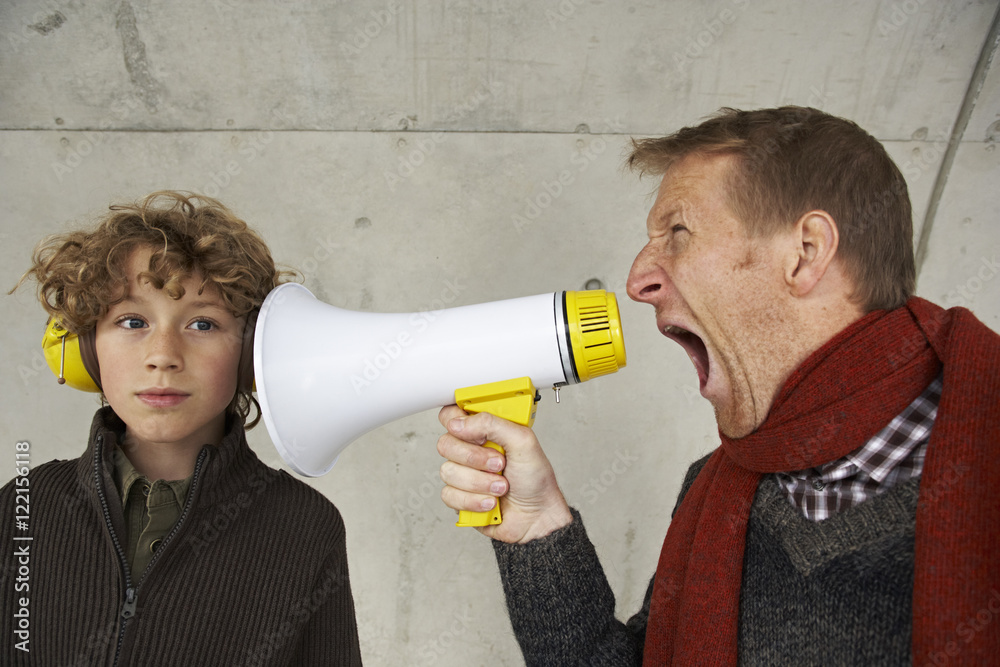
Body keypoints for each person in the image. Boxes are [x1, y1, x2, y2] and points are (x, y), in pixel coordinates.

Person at [436, 107, 1000, 665]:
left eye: (677, 232)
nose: (637, 281)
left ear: (805, 253)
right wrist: (539, 530)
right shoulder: (718, 490)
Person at [1, 191, 363, 665]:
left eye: (203, 324)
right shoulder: (22, 507)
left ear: (252, 352)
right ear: (85, 349)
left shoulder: (304, 526)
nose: (163, 355)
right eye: (133, 321)